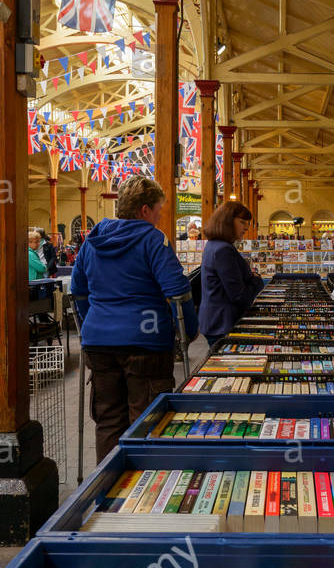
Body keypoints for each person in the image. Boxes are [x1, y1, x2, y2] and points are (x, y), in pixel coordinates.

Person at [71, 175, 199, 461]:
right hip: (146, 344)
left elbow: (77, 291)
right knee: (147, 421)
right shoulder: (153, 239)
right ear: (144, 211)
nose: (161, 215)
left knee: (108, 419)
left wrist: (92, 323)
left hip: (98, 344)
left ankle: (106, 483)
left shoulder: (92, 241)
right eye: (159, 209)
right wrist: (190, 330)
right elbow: (178, 290)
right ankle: (143, 487)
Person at [198, 200, 265, 343]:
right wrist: (257, 280)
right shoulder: (224, 250)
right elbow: (239, 296)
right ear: (227, 221)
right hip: (223, 324)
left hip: (215, 321)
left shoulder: (213, 245)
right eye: (242, 222)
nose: (246, 227)